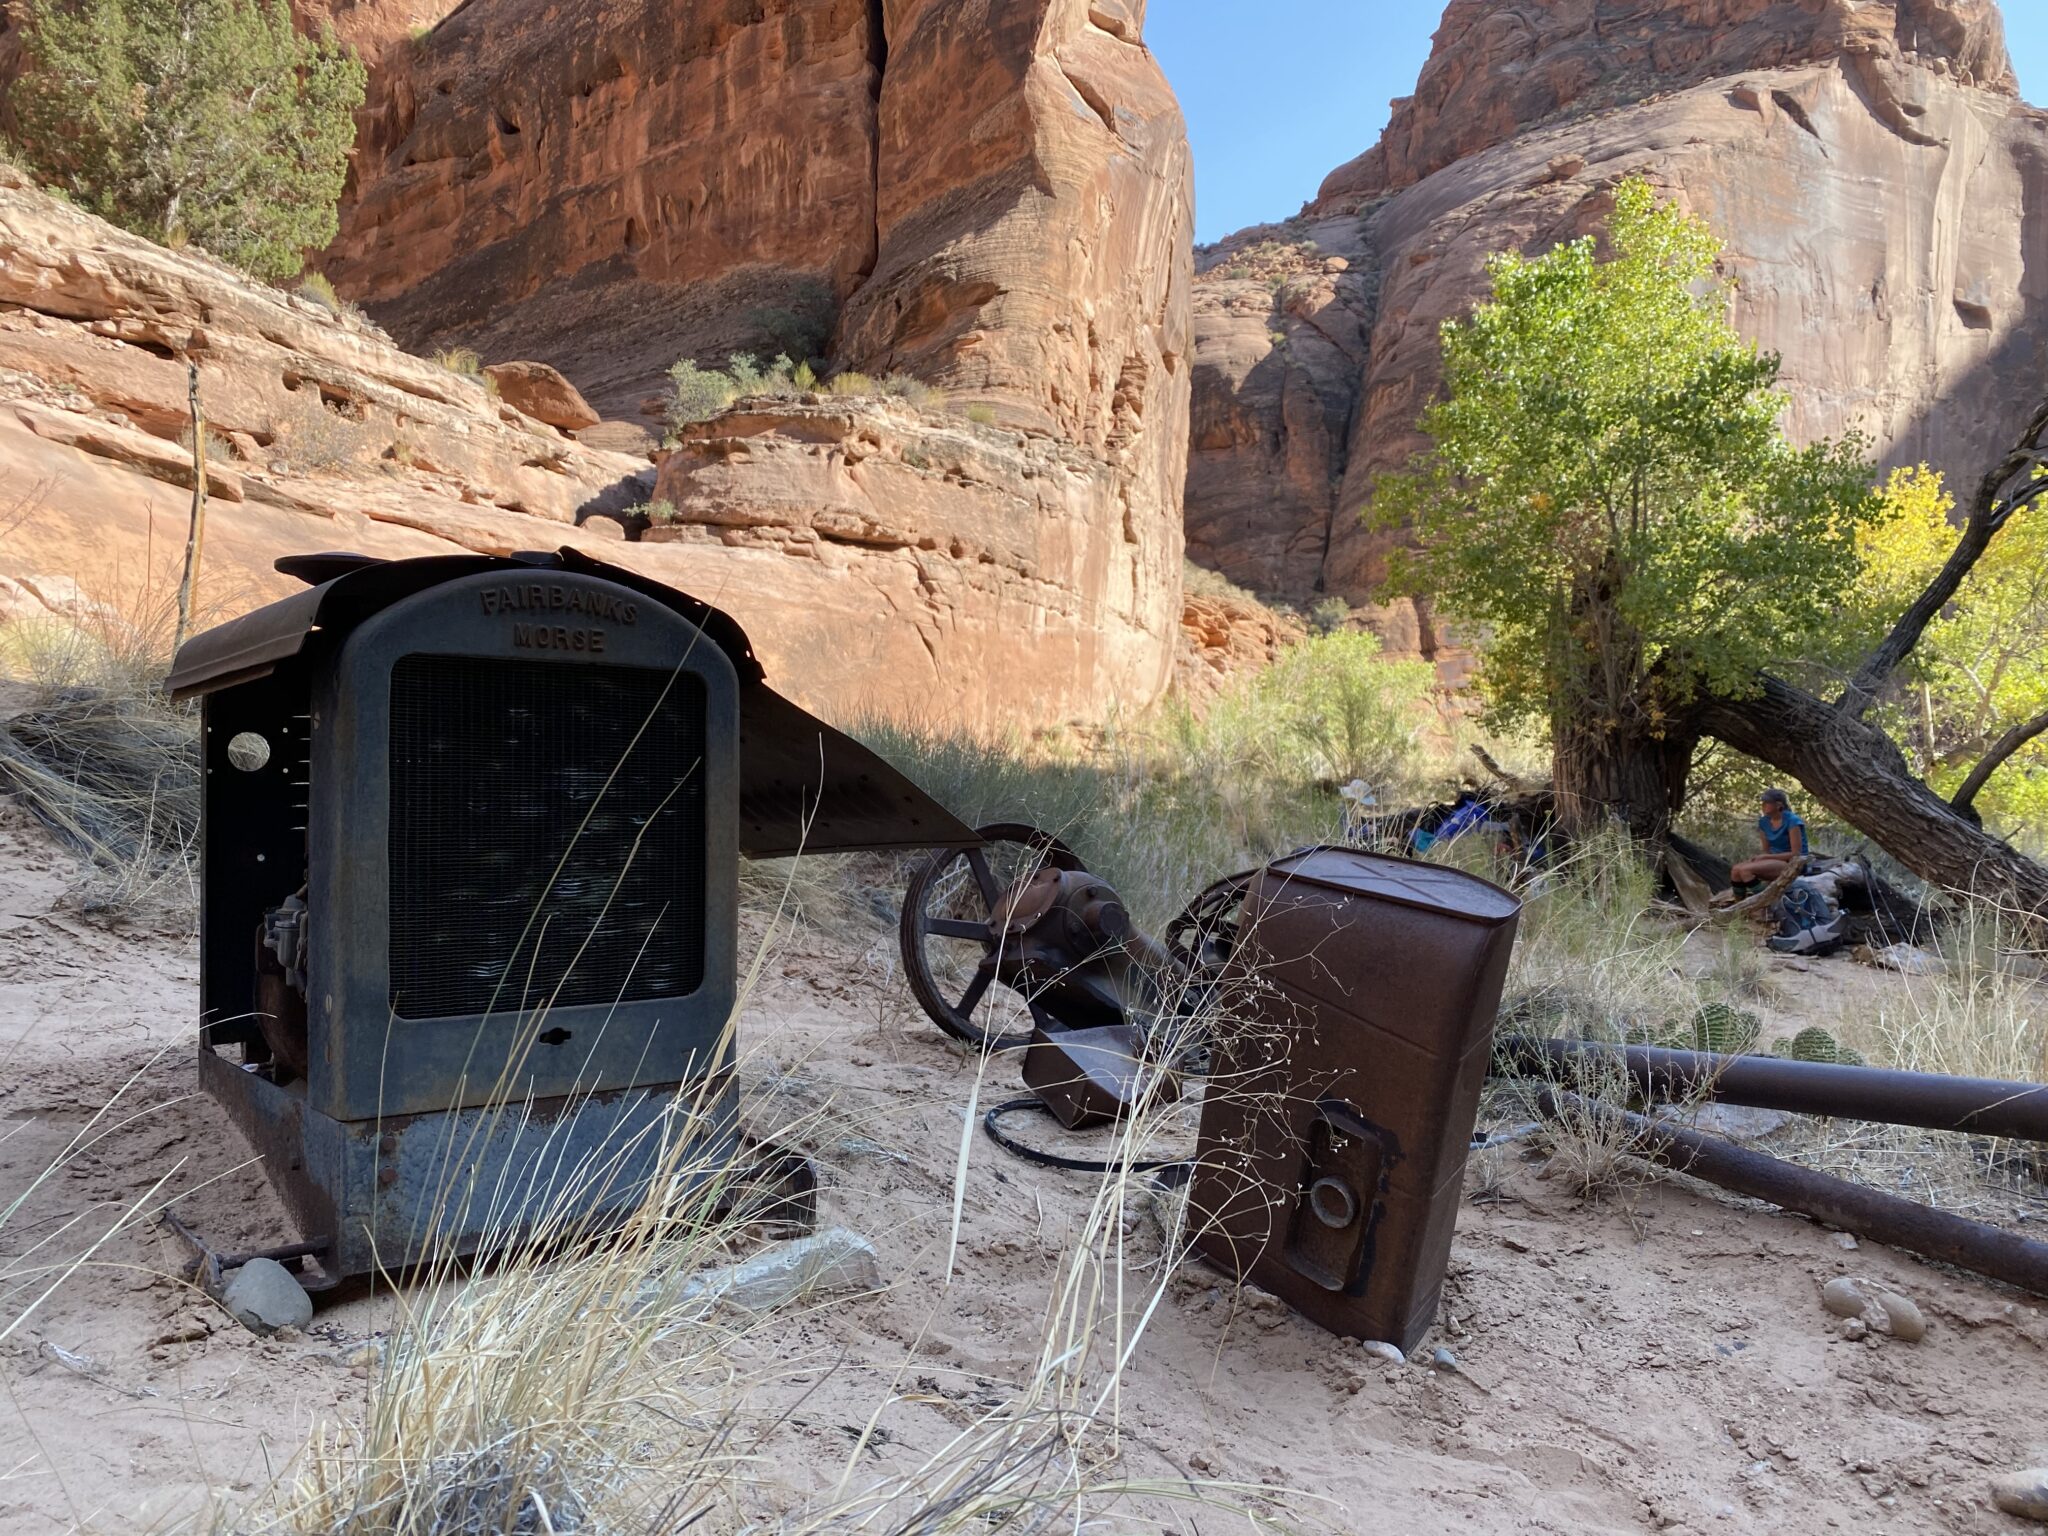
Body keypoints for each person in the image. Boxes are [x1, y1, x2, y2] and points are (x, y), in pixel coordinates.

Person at [1731, 788, 1809, 891]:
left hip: (1793, 863)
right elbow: (1766, 849)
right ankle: (1739, 903)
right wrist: (1765, 858)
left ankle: (1764, 903)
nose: (1763, 805)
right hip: (1773, 860)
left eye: (1767, 803)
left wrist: (1765, 857)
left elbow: (1796, 854)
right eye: (1763, 802)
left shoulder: (1792, 821)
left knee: (1746, 870)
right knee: (1735, 870)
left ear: (1778, 805)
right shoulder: (1764, 822)